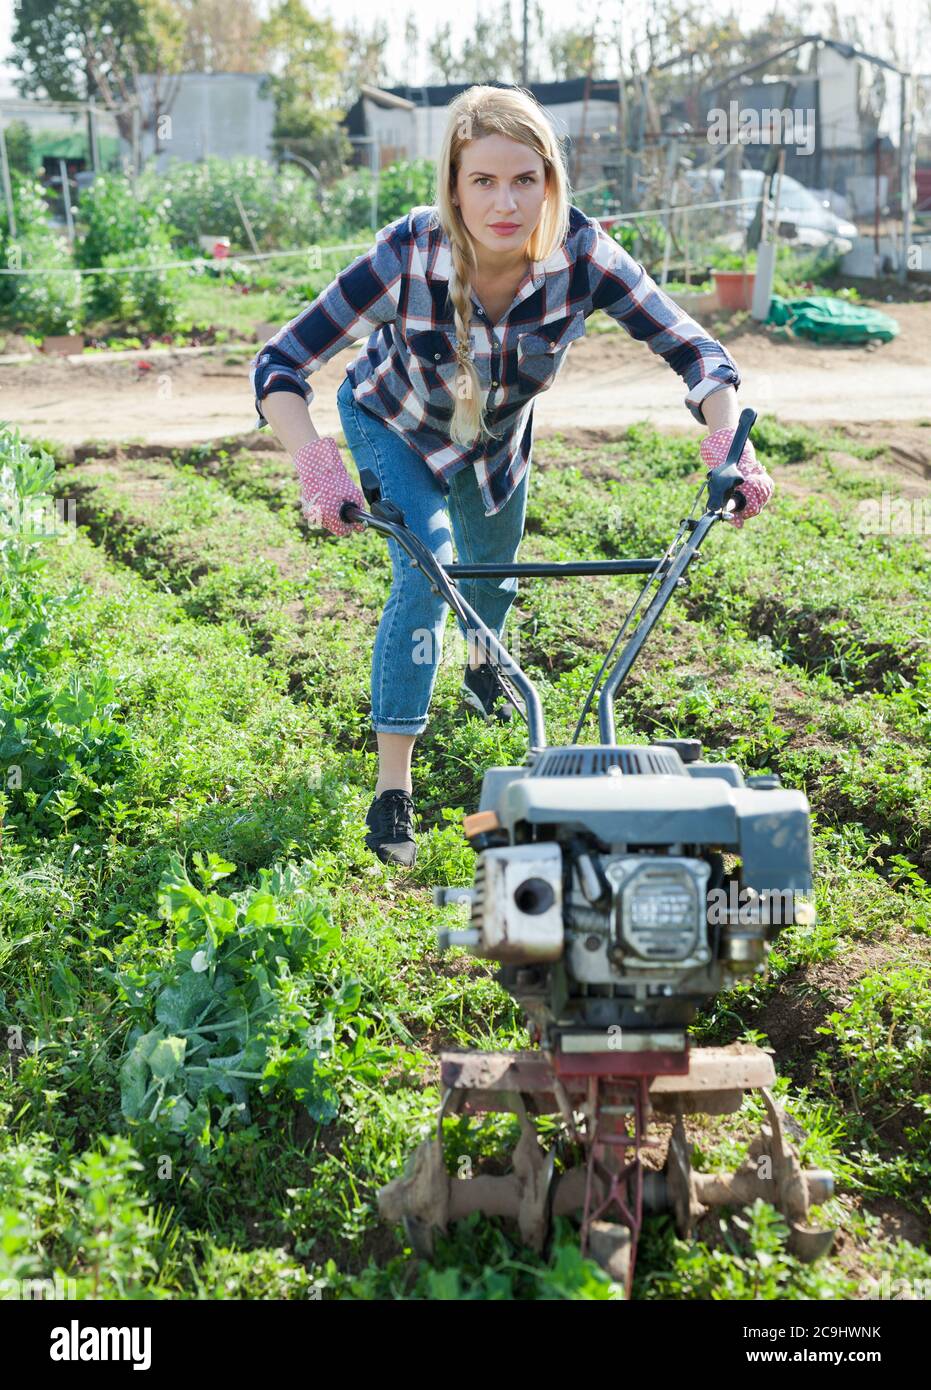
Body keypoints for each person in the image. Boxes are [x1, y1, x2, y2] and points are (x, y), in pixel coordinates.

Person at [249, 83, 774, 869]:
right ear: (453, 186)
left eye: (524, 180)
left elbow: (695, 350)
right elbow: (281, 361)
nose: (505, 202)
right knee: (426, 576)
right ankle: (394, 788)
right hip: (395, 424)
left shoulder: (583, 255)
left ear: (550, 183)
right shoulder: (407, 254)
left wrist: (731, 443)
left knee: (490, 583)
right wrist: (316, 466)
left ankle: (479, 669)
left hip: (496, 439)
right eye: (483, 181)